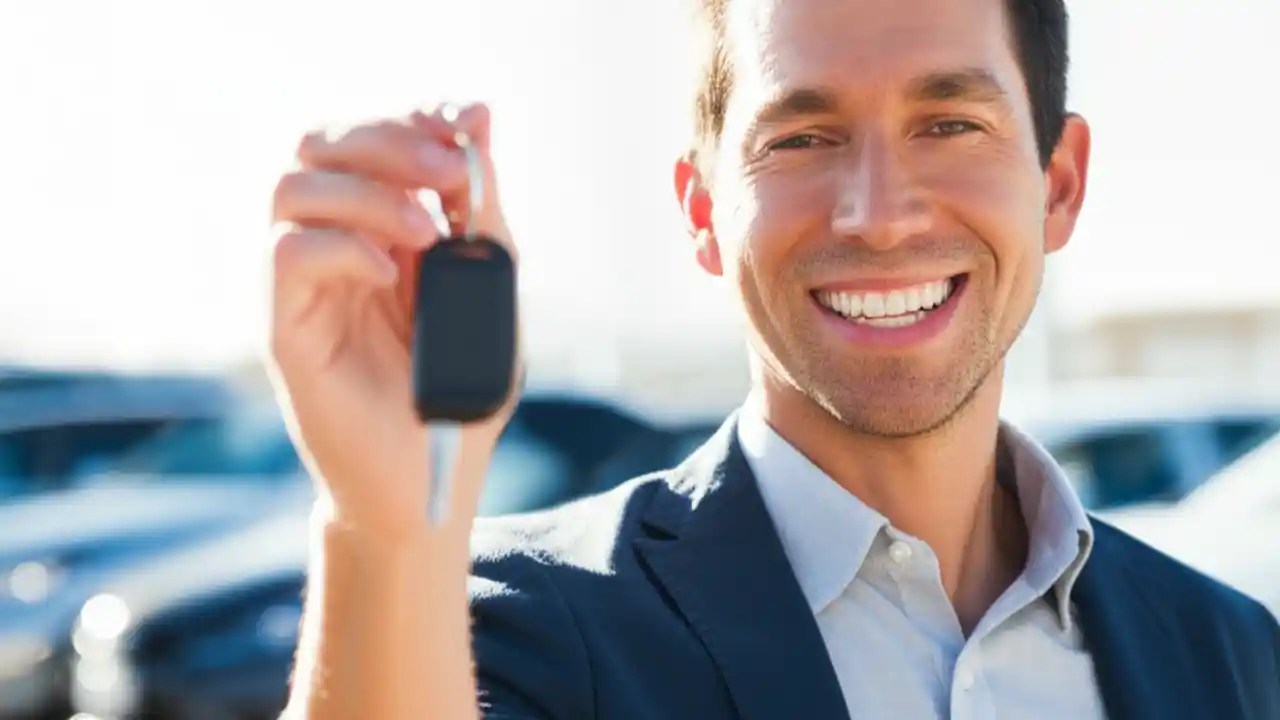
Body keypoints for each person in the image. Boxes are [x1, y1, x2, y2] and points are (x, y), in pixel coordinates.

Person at [266, 0, 1280, 717]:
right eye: (801, 138)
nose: (878, 216)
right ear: (703, 212)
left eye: (947, 124)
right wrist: (386, 533)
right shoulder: (531, 628)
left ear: (1057, 185)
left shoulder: (1226, 653)